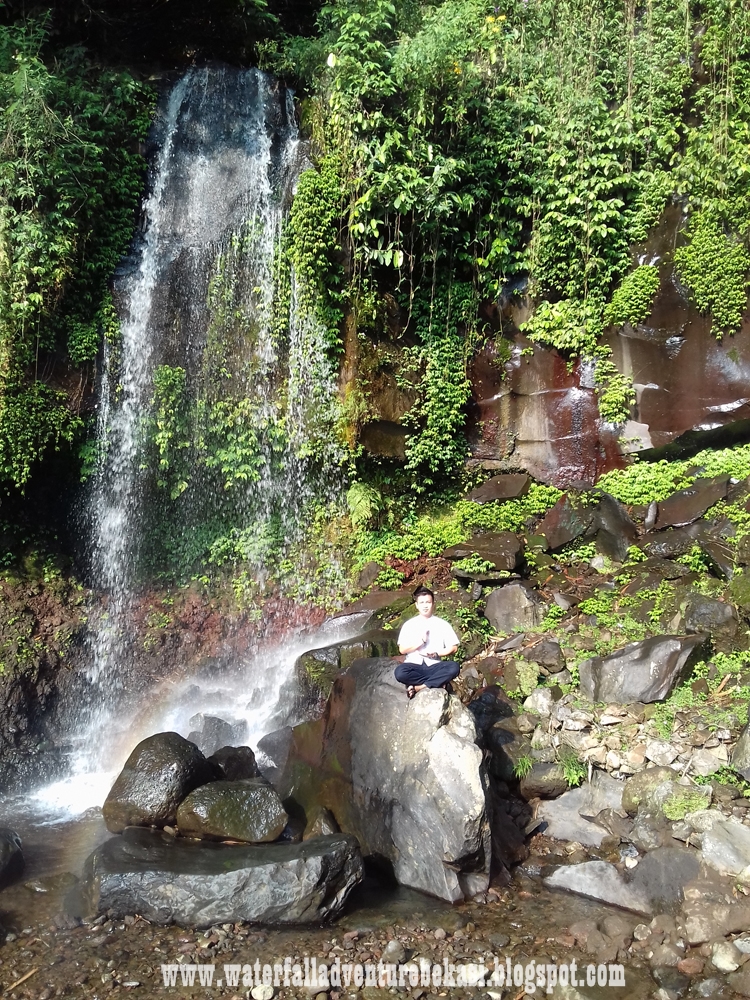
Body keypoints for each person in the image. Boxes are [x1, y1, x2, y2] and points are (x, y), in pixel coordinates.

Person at [394, 585, 461, 699]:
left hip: (434, 665)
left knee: (454, 667)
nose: (425, 606)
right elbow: (402, 649)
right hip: (414, 665)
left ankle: (418, 687)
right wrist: (420, 642)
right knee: (400, 672)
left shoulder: (442, 624)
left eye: (428, 602)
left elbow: (453, 648)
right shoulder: (409, 625)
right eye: (422, 603)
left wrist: (436, 654)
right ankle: (439, 682)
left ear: (433, 604)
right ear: (417, 605)